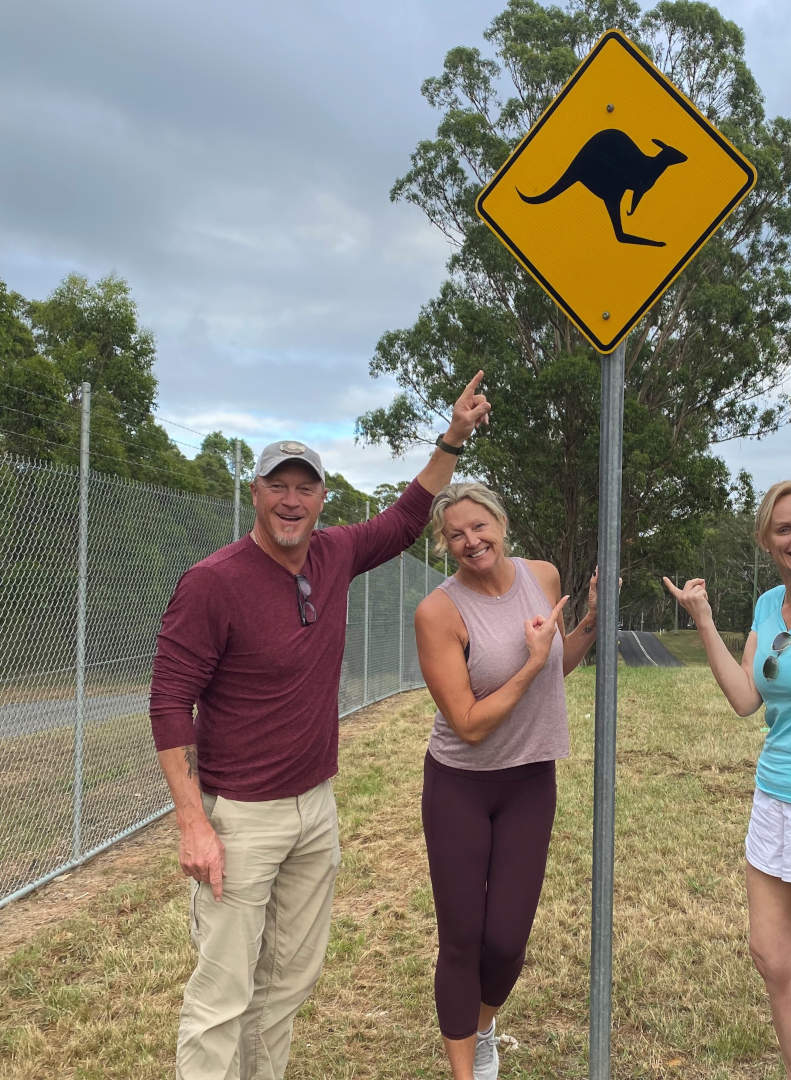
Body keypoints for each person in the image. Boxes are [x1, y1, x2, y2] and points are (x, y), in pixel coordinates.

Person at [149, 372, 491, 1080]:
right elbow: (167, 703)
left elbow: (404, 518)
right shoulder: (213, 582)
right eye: (279, 485)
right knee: (222, 993)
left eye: (305, 487)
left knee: (286, 987)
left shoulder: (334, 553)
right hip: (241, 816)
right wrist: (192, 821)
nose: (292, 500)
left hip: (315, 810)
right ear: (256, 494)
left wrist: (452, 438)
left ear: (321, 499)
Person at [662, 481, 791, 1080]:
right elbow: (747, 698)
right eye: (785, 529)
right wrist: (702, 619)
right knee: (772, 960)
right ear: (765, 540)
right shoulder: (767, 604)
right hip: (772, 797)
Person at [414, 482, 600, 1080]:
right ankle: (466, 1070)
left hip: (528, 781)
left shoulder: (541, 577)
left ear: (501, 522)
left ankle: (485, 1023)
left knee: (507, 942)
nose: (471, 542)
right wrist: (528, 660)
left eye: (480, 527)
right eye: (456, 535)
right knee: (463, 937)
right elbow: (466, 724)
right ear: (445, 545)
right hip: (460, 785)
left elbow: (554, 666)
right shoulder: (439, 613)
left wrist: (591, 623)